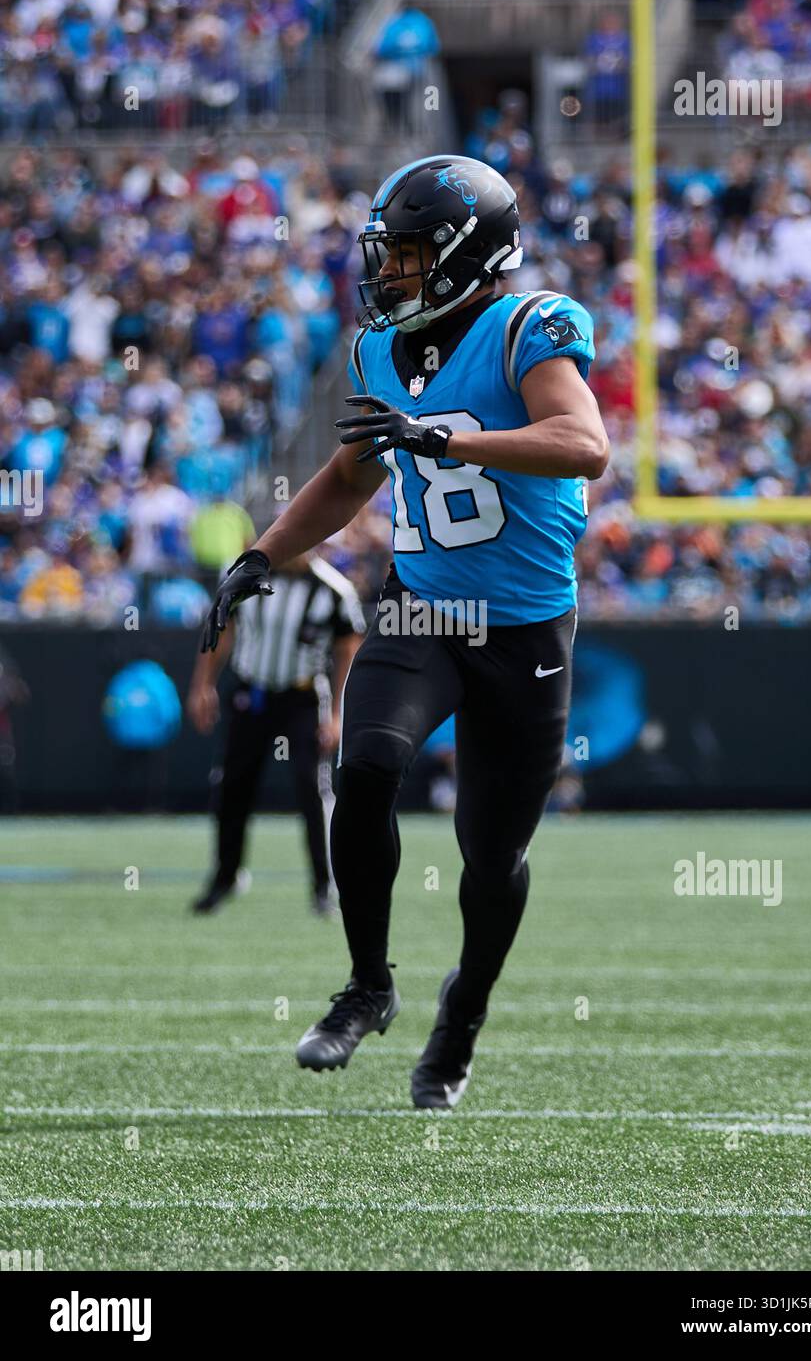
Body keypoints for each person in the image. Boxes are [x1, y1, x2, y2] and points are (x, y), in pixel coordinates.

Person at [201, 154, 609, 1108]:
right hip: (420, 607)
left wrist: (441, 438)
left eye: (415, 255)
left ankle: (460, 1015)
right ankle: (367, 985)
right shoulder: (380, 349)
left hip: (523, 629)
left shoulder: (530, 328)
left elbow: (582, 444)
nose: (391, 273)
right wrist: (262, 555)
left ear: (469, 254)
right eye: (389, 255)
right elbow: (350, 478)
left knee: (491, 857)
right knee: (368, 764)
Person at [189, 549, 364, 915]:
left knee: (311, 788)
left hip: (303, 696)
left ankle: (322, 886)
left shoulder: (333, 589)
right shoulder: (242, 575)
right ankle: (226, 877)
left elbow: (348, 647)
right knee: (232, 783)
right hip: (251, 693)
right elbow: (222, 627)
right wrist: (203, 685)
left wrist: (336, 713)